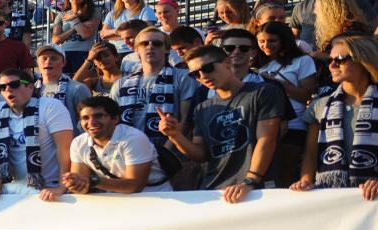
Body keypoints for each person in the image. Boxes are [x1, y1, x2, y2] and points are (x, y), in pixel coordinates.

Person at [158, 45, 283, 201]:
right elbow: (200, 155)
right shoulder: (202, 108)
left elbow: (266, 140)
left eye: (208, 68)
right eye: (195, 74)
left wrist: (250, 181)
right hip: (215, 191)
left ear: (227, 63)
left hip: (256, 189)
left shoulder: (263, 92)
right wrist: (175, 136)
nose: (203, 76)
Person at [292, 34, 378, 199]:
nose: (331, 65)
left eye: (339, 59)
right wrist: (305, 180)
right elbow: (311, 154)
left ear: (363, 60)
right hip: (334, 196)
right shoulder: (320, 105)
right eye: (329, 60)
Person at [0, 68, 75, 200]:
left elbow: (64, 149)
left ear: (30, 86)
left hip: (47, 188)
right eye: (2, 87)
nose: (8, 89)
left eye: (14, 85)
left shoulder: (51, 106)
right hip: (12, 188)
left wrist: (62, 187)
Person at [62, 95, 171, 194]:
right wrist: (75, 183)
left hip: (153, 198)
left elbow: (135, 186)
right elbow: (82, 188)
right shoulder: (78, 143)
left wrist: (92, 181)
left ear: (115, 119)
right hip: (112, 201)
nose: (91, 122)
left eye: (99, 116)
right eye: (85, 118)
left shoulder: (133, 139)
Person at [111, 26, 196, 146]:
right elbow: (113, 123)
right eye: (144, 43)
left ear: (167, 49)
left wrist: (165, 152)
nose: (150, 46)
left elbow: (185, 120)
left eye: (157, 44)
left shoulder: (183, 77)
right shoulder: (120, 84)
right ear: (136, 49)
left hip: (169, 153)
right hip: (130, 152)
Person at [257, 21, 318, 187]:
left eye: (272, 41)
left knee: (286, 178)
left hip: (294, 125)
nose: (266, 45)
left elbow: (307, 95)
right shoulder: (262, 65)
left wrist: (278, 85)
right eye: (261, 41)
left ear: (284, 40)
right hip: (266, 127)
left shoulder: (303, 60)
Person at [35, 43, 92, 131]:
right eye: (44, 58)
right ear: (37, 62)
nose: (48, 61)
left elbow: (89, 121)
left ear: (63, 62)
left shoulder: (78, 89)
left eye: (54, 58)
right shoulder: (30, 90)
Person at [52, 0, 103, 74]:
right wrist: (74, 28)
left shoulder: (94, 12)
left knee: (83, 83)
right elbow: (55, 40)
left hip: (85, 54)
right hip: (65, 55)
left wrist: (74, 19)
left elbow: (86, 34)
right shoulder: (61, 15)